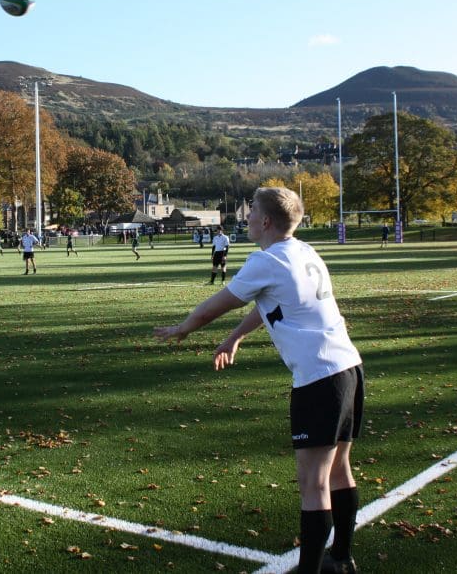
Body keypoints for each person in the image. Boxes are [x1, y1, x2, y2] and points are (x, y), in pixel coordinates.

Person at [154, 187, 363, 574]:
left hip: (319, 380)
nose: (246, 217)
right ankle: (343, 558)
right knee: (339, 469)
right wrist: (237, 336)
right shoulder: (303, 251)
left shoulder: (264, 261)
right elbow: (272, 304)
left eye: (251, 212)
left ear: (265, 221)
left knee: (313, 482)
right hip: (348, 368)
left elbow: (215, 305)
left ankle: (311, 571)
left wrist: (183, 327)